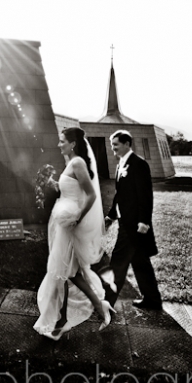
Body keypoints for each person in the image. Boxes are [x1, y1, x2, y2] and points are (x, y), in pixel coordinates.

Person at [33, 127, 113, 341]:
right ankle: (96, 308)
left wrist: (77, 217)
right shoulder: (71, 163)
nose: (59, 145)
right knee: (71, 272)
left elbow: (91, 194)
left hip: (71, 225)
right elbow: (69, 189)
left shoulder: (77, 162)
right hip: (64, 223)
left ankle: (62, 321)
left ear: (72, 143)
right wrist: (51, 183)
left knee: (66, 272)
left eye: (62, 141)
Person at [103, 130, 163, 310]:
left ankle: (106, 303)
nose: (113, 148)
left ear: (127, 144)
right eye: (112, 144)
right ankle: (152, 300)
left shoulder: (138, 164)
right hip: (124, 222)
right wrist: (111, 216)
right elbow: (119, 195)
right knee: (140, 262)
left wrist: (144, 221)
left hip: (134, 225)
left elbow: (145, 196)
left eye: (116, 144)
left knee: (117, 263)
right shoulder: (120, 165)